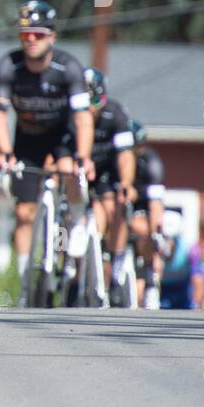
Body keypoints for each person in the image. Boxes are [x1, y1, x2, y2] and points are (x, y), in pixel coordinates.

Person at [0, 0, 94, 301]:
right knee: (24, 212)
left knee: (68, 170)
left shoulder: (69, 68)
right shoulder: (9, 66)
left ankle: (76, 218)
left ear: (52, 37)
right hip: (28, 138)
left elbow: (83, 118)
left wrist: (83, 157)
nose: (31, 40)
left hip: (63, 136)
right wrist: (5, 152)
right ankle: (25, 284)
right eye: (25, 35)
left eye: (38, 34)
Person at [82, 67, 137, 298]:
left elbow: (126, 154)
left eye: (93, 103)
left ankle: (115, 261)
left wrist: (126, 182)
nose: (90, 110)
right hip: (81, 172)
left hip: (108, 172)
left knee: (115, 207)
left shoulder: (115, 114)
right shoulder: (72, 114)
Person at [127, 120, 167, 308]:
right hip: (119, 206)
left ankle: (150, 273)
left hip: (142, 207)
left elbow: (155, 204)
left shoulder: (151, 163)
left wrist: (155, 234)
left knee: (143, 228)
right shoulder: (113, 158)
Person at [158, 210, 204, 310]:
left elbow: (198, 281)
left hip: (185, 286)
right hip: (164, 288)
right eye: (164, 238)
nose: (167, 243)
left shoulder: (190, 249)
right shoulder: (153, 248)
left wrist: (196, 306)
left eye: (170, 239)